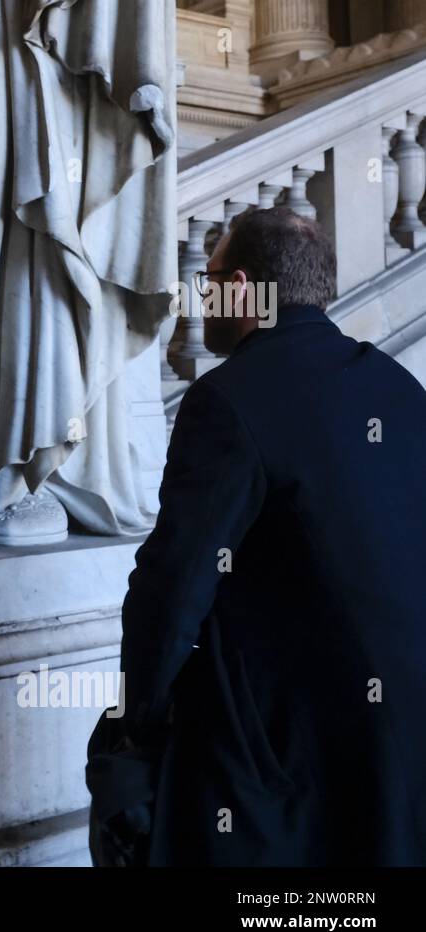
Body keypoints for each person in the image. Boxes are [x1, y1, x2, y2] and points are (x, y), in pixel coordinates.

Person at [87, 207, 426, 865]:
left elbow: (173, 586)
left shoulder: (230, 398)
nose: (203, 297)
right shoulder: (401, 389)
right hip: (401, 749)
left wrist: (135, 720)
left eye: (208, 281)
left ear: (241, 287)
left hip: (286, 760)